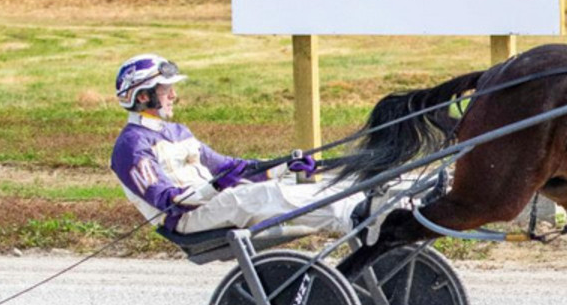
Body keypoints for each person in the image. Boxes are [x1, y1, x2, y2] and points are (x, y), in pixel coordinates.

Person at [110, 54, 375, 240]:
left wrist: (286, 165)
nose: (173, 95)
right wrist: (218, 185)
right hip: (185, 220)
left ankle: (365, 214)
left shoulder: (178, 132)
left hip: (215, 205)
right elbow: (169, 202)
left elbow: (228, 166)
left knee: (296, 188)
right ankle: (356, 216)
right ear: (142, 96)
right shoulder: (131, 146)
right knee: (257, 196)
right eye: (166, 90)